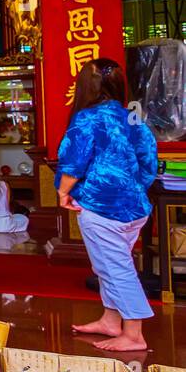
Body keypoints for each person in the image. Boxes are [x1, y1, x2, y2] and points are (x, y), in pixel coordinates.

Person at [60, 58, 159, 352]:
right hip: (134, 206)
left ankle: (134, 334)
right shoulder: (132, 114)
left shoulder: (87, 118)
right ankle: (111, 319)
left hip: (103, 207)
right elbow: (148, 157)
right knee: (108, 264)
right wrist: (135, 186)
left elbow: (74, 161)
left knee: (117, 267)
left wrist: (64, 192)